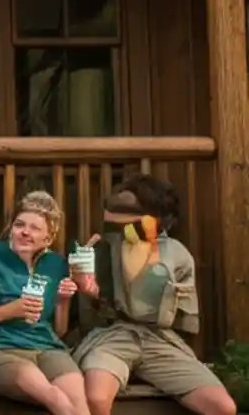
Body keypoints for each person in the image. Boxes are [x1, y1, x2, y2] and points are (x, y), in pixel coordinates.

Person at [74, 176, 235, 415]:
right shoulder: (102, 249)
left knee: (223, 407)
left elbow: (185, 319)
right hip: (113, 336)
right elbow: (89, 316)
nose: (124, 230)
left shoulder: (177, 254)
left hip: (160, 339)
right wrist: (90, 291)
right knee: (96, 398)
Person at [0, 191, 88, 415]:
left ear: (47, 239)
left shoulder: (56, 265)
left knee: (78, 401)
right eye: (20, 225)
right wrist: (10, 311)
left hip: (46, 348)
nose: (25, 232)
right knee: (56, 399)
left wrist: (62, 302)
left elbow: (59, 330)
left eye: (35, 228)